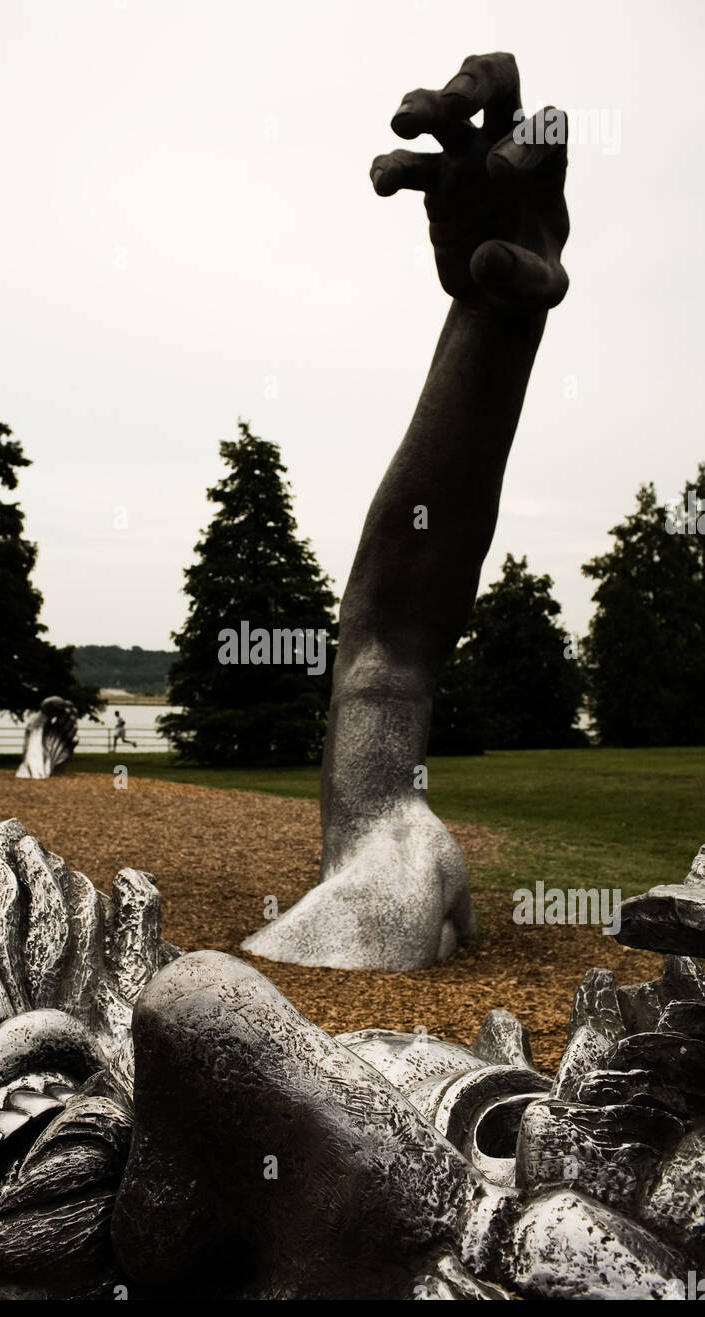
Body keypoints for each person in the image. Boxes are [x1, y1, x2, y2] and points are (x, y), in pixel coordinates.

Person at [244, 53, 570, 972]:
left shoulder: (387, 854)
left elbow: (389, 636)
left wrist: (497, 327)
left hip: (385, 853)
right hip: (388, 837)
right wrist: (484, 322)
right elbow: (391, 630)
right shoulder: (387, 678)